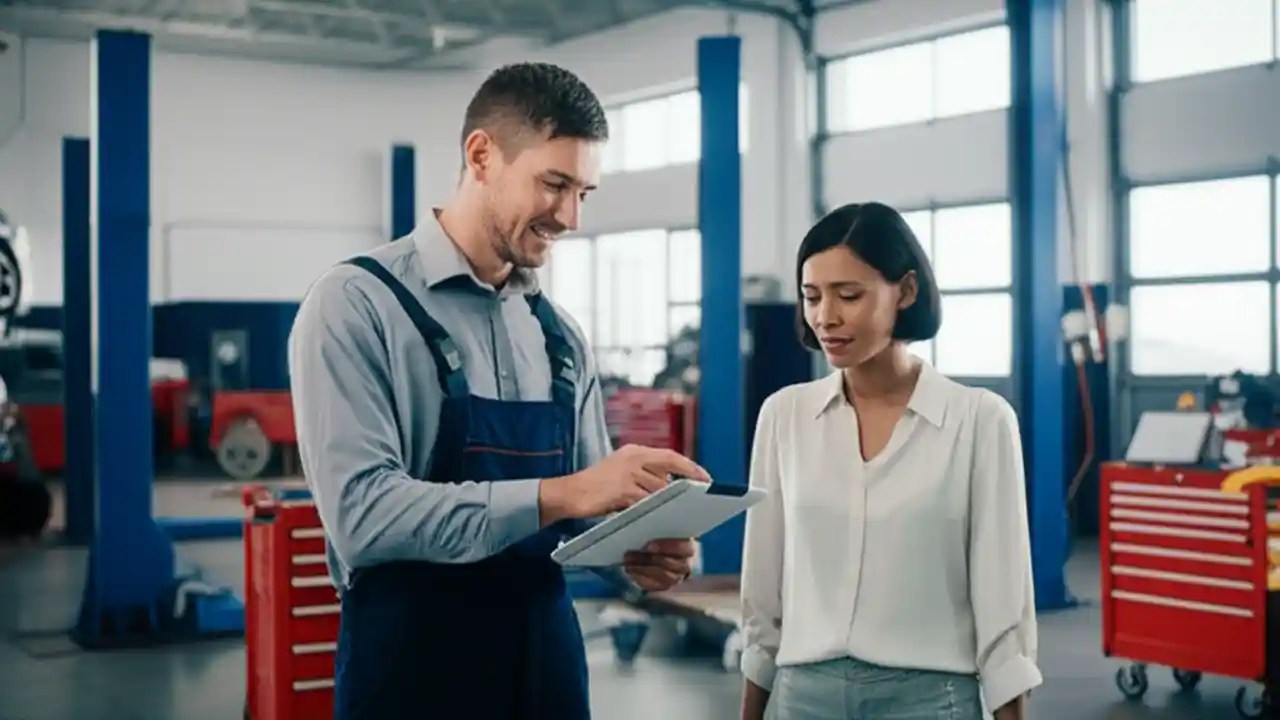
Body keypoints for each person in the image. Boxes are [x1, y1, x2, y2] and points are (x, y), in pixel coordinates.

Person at [288, 62, 707, 720]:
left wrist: (640, 552)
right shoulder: (355, 306)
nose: (570, 216)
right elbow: (363, 518)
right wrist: (567, 493)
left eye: (584, 193)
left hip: (548, 671)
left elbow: (585, 515)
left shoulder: (560, 336)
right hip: (410, 673)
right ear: (481, 155)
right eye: (554, 183)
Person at [738, 202, 1042, 720]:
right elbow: (762, 590)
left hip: (930, 700)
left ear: (905, 290)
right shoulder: (784, 416)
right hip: (801, 697)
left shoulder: (979, 420)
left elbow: (1003, 601)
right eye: (812, 297)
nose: (825, 317)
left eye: (848, 295)